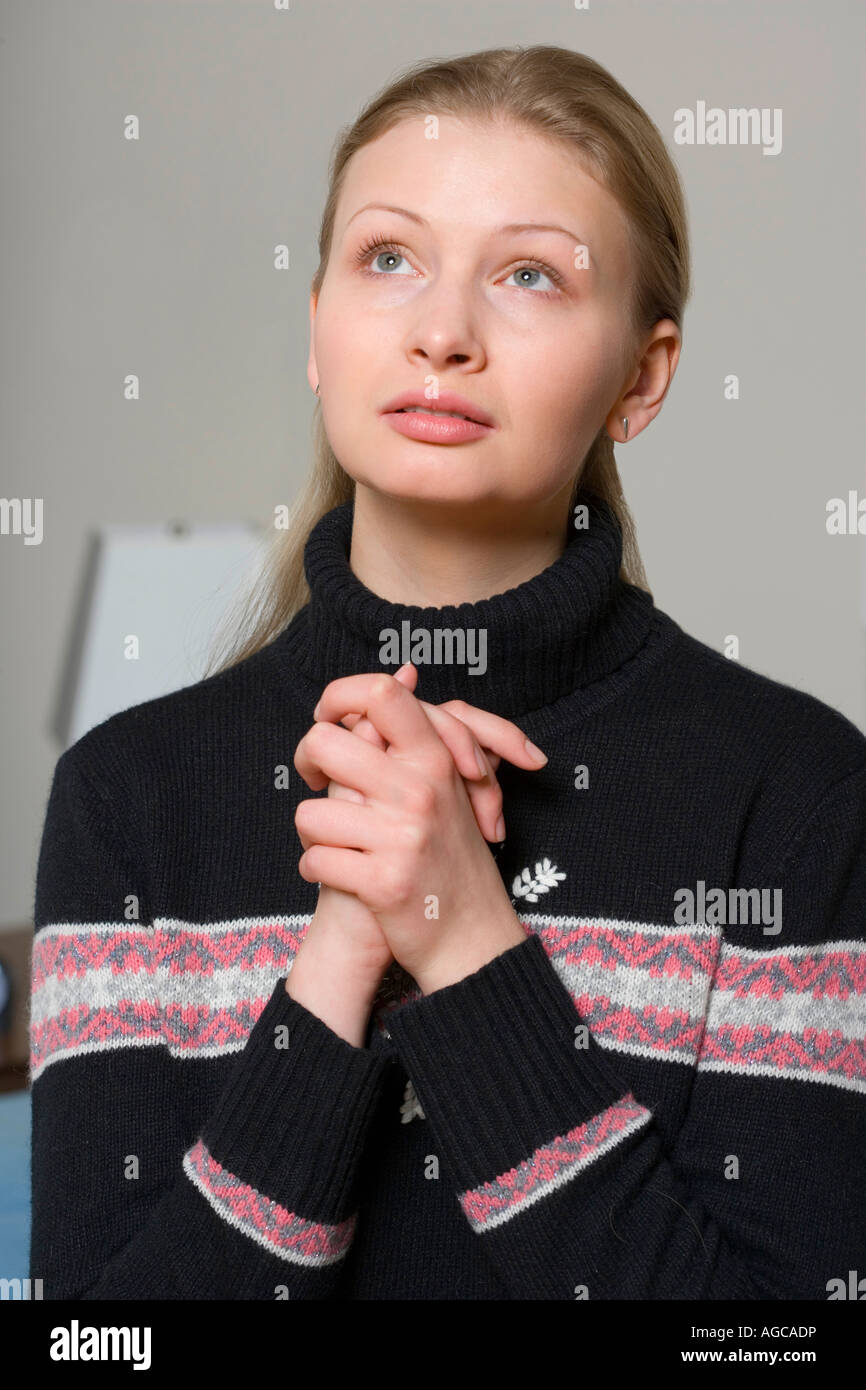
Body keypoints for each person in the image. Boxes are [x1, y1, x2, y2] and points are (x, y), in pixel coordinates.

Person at [30, 45, 865, 1301]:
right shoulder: (124, 798)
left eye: (528, 274)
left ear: (640, 379)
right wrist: (339, 962)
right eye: (387, 259)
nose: (440, 333)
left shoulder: (797, 791)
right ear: (315, 329)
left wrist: (465, 940)